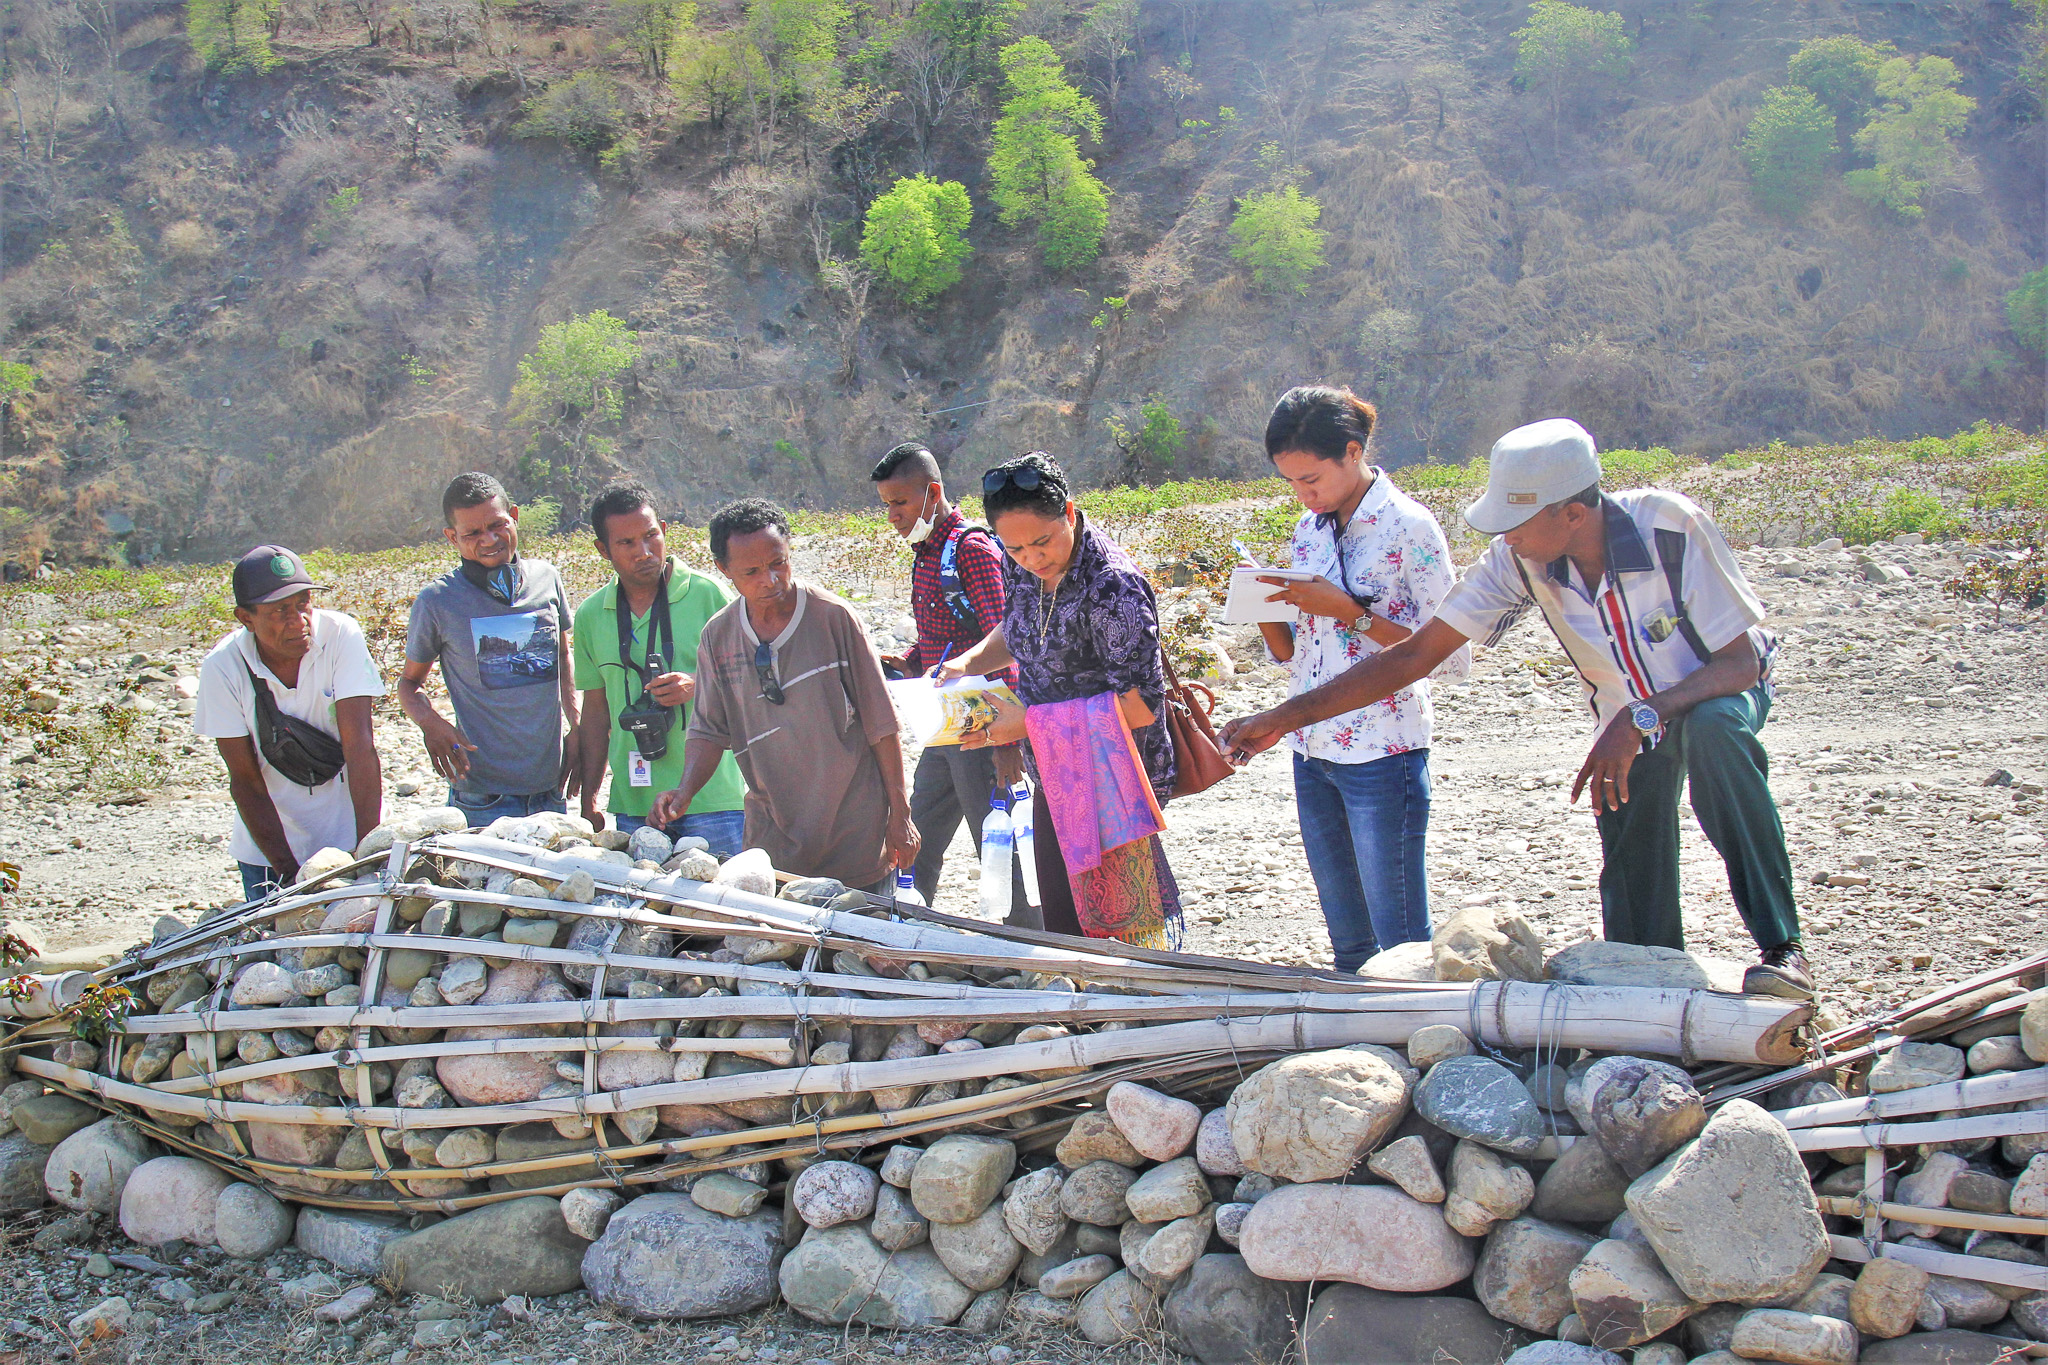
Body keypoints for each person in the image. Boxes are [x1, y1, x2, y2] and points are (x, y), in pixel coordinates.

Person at [1220, 418, 1813, 999]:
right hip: (1625, 718)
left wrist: (1639, 717)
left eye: (1517, 524)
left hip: (1711, 693)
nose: (1505, 538)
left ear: (1572, 513)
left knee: (1715, 735)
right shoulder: (1517, 560)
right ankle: (1648, 977)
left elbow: (1740, 665)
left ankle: (1783, 951)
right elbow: (1416, 655)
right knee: (1632, 850)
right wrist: (1281, 719)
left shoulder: (1669, 525)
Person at [1250, 386, 1469, 973]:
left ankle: (1421, 1040)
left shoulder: (1409, 528)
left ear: (1353, 452)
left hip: (1383, 747)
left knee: (1400, 939)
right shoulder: (1309, 530)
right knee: (1348, 941)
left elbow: (1447, 657)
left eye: (1311, 478)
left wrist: (1350, 611)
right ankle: (1366, 1040)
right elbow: (1294, 654)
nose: (1303, 493)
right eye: (1291, 482)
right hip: (1312, 745)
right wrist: (1263, 602)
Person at [938, 453, 1183, 948]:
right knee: (1064, 909)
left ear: (1069, 513)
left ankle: (1129, 1009)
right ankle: (1081, 1008)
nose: (1031, 557)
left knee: (1119, 926)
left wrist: (1027, 723)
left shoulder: (1113, 587)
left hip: (1114, 775)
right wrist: (969, 663)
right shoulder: (1021, 566)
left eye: (1042, 542)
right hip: (1055, 762)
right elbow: (1021, 627)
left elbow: (1139, 706)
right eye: (1016, 547)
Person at [648, 498, 919, 891]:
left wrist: (901, 814)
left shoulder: (834, 618)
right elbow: (708, 730)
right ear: (725, 571)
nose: (770, 580)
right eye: (752, 572)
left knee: (861, 947)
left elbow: (882, 725)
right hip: (773, 840)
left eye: (778, 563)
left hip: (855, 836)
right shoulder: (718, 637)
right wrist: (684, 790)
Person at [870, 441, 1031, 917]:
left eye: (900, 503)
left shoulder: (972, 548)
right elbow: (944, 638)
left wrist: (1006, 742)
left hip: (982, 725)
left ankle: (1027, 944)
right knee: (921, 825)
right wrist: (906, 661)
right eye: (887, 506)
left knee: (996, 835)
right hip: (945, 719)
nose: (893, 515)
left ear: (932, 492)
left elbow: (1003, 640)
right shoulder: (926, 552)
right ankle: (903, 923)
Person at [192, 545, 385, 899]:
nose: (299, 621)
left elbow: (360, 749)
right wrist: (286, 875)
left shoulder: (341, 636)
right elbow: (246, 781)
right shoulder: (223, 667)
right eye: (280, 611)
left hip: (347, 838)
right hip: (269, 851)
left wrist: (368, 856)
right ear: (245, 618)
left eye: (303, 604)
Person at [570, 481, 747, 856]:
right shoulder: (590, 615)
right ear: (603, 550)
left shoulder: (708, 594)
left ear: (665, 530)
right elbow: (596, 712)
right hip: (634, 805)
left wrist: (698, 684)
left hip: (715, 800)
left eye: (651, 536)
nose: (644, 552)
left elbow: (754, 674)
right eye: (627, 543)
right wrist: (590, 798)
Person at [399, 472, 579, 829]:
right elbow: (409, 684)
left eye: (497, 525)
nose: (489, 539)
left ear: (514, 515)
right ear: (452, 537)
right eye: (473, 533)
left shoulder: (547, 579)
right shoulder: (438, 601)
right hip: (483, 797)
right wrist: (431, 724)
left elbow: (561, 655)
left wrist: (576, 725)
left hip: (549, 789)